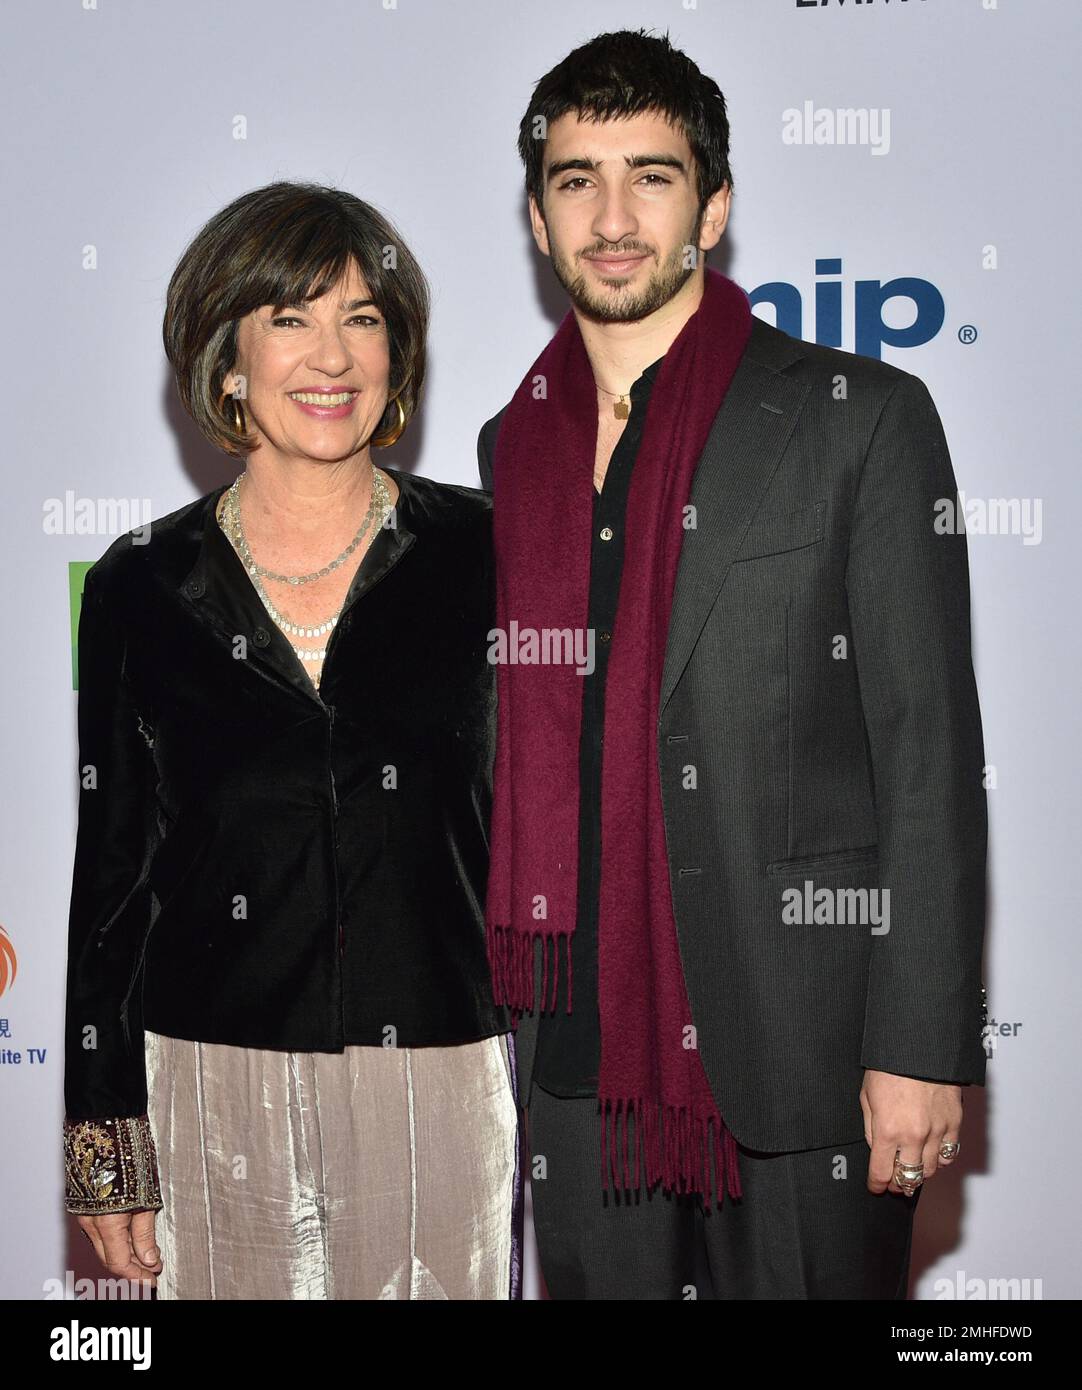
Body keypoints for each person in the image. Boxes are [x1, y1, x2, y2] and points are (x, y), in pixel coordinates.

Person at [478, 29, 988, 1300]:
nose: (609, 216)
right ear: (536, 219)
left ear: (713, 204)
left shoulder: (856, 416)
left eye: (649, 177)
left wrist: (919, 1044)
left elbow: (926, 750)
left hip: (803, 1053)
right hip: (573, 1067)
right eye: (573, 178)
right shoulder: (508, 452)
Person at [63, 180, 523, 1300]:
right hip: (209, 1083)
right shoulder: (142, 582)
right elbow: (114, 875)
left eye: (362, 318)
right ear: (226, 357)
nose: (332, 355)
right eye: (291, 317)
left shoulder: (488, 553)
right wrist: (104, 1150)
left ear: (397, 355)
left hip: (438, 1074)